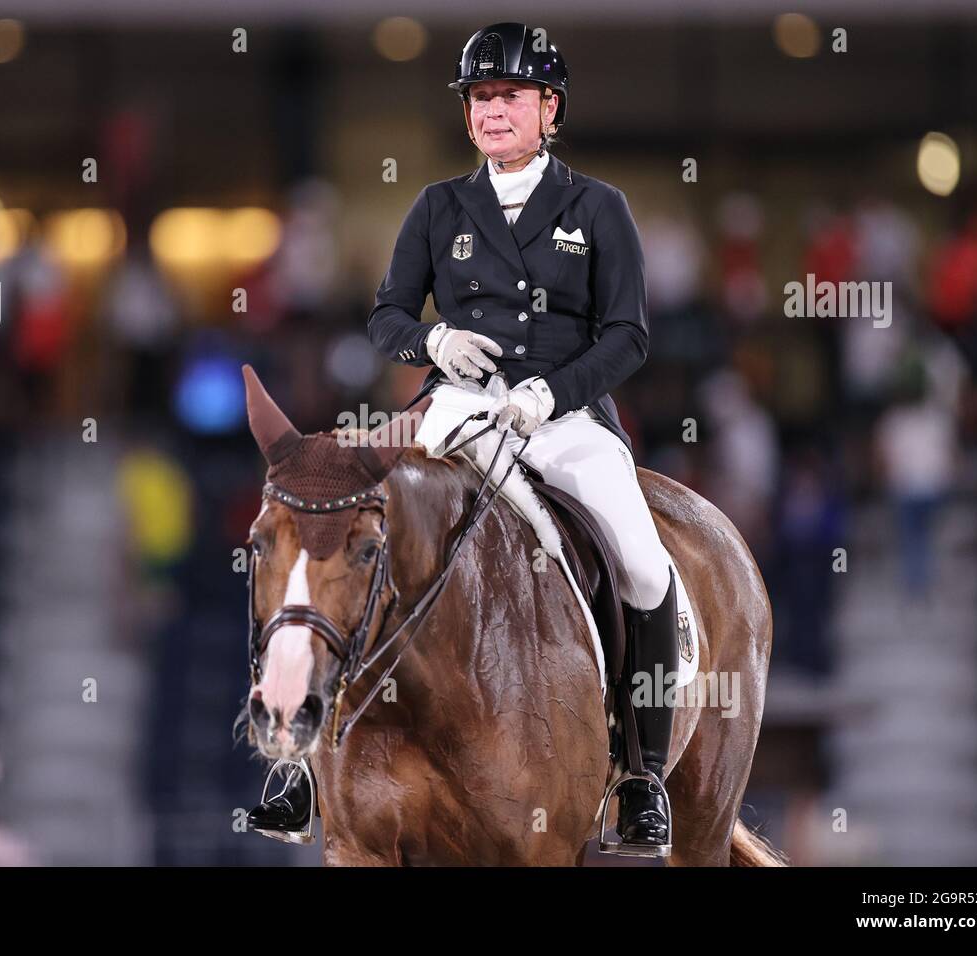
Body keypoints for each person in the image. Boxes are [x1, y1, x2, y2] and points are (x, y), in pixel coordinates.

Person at [249, 21, 680, 855]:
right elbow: (385, 317)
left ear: (549, 108)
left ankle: (642, 777)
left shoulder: (599, 207)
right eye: (481, 97)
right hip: (449, 412)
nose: (492, 111)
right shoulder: (439, 205)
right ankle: (296, 760)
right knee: (334, 515)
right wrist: (432, 343)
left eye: (510, 96)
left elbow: (628, 335)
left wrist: (550, 392)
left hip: (565, 421)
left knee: (639, 558)